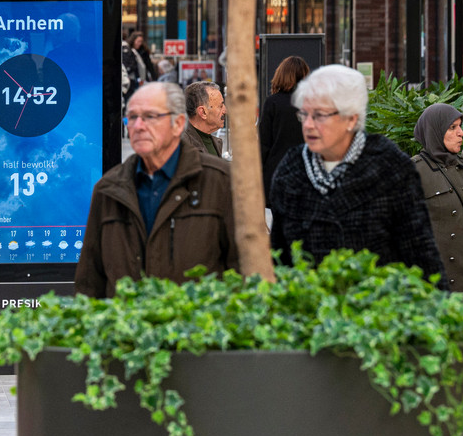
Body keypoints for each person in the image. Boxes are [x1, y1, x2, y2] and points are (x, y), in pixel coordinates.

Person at [268, 65, 444, 278]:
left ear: (351, 119)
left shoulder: (390, 167)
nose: (308, 125)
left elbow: (421, 252)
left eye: (320, 115)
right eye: (304, 114)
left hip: (375, 303)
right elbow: (279, 256)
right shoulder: (291, 169)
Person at [74, 82, 237, 297]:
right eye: (132, 117)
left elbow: (242, 273)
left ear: (178, 124)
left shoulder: (221, 181)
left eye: (151, 117)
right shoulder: (108, 190)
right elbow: (89, 284)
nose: (139, 126)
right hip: (128, 327)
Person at [412, 103, 463, 293]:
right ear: (435, 131)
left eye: (460, 126)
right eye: (453, 127)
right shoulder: (414, 171)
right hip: (432, 282)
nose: (461, 133)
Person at [259, 56, 310, 193]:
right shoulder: (311, 103)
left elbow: (264, 142)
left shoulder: (272, 103)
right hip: (305, 172)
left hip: (277, 171)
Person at [182, 81, 226, 157]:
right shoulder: (182, 146)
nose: (225, 111)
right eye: (220, 106)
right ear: (203, 112)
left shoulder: (214, 142)